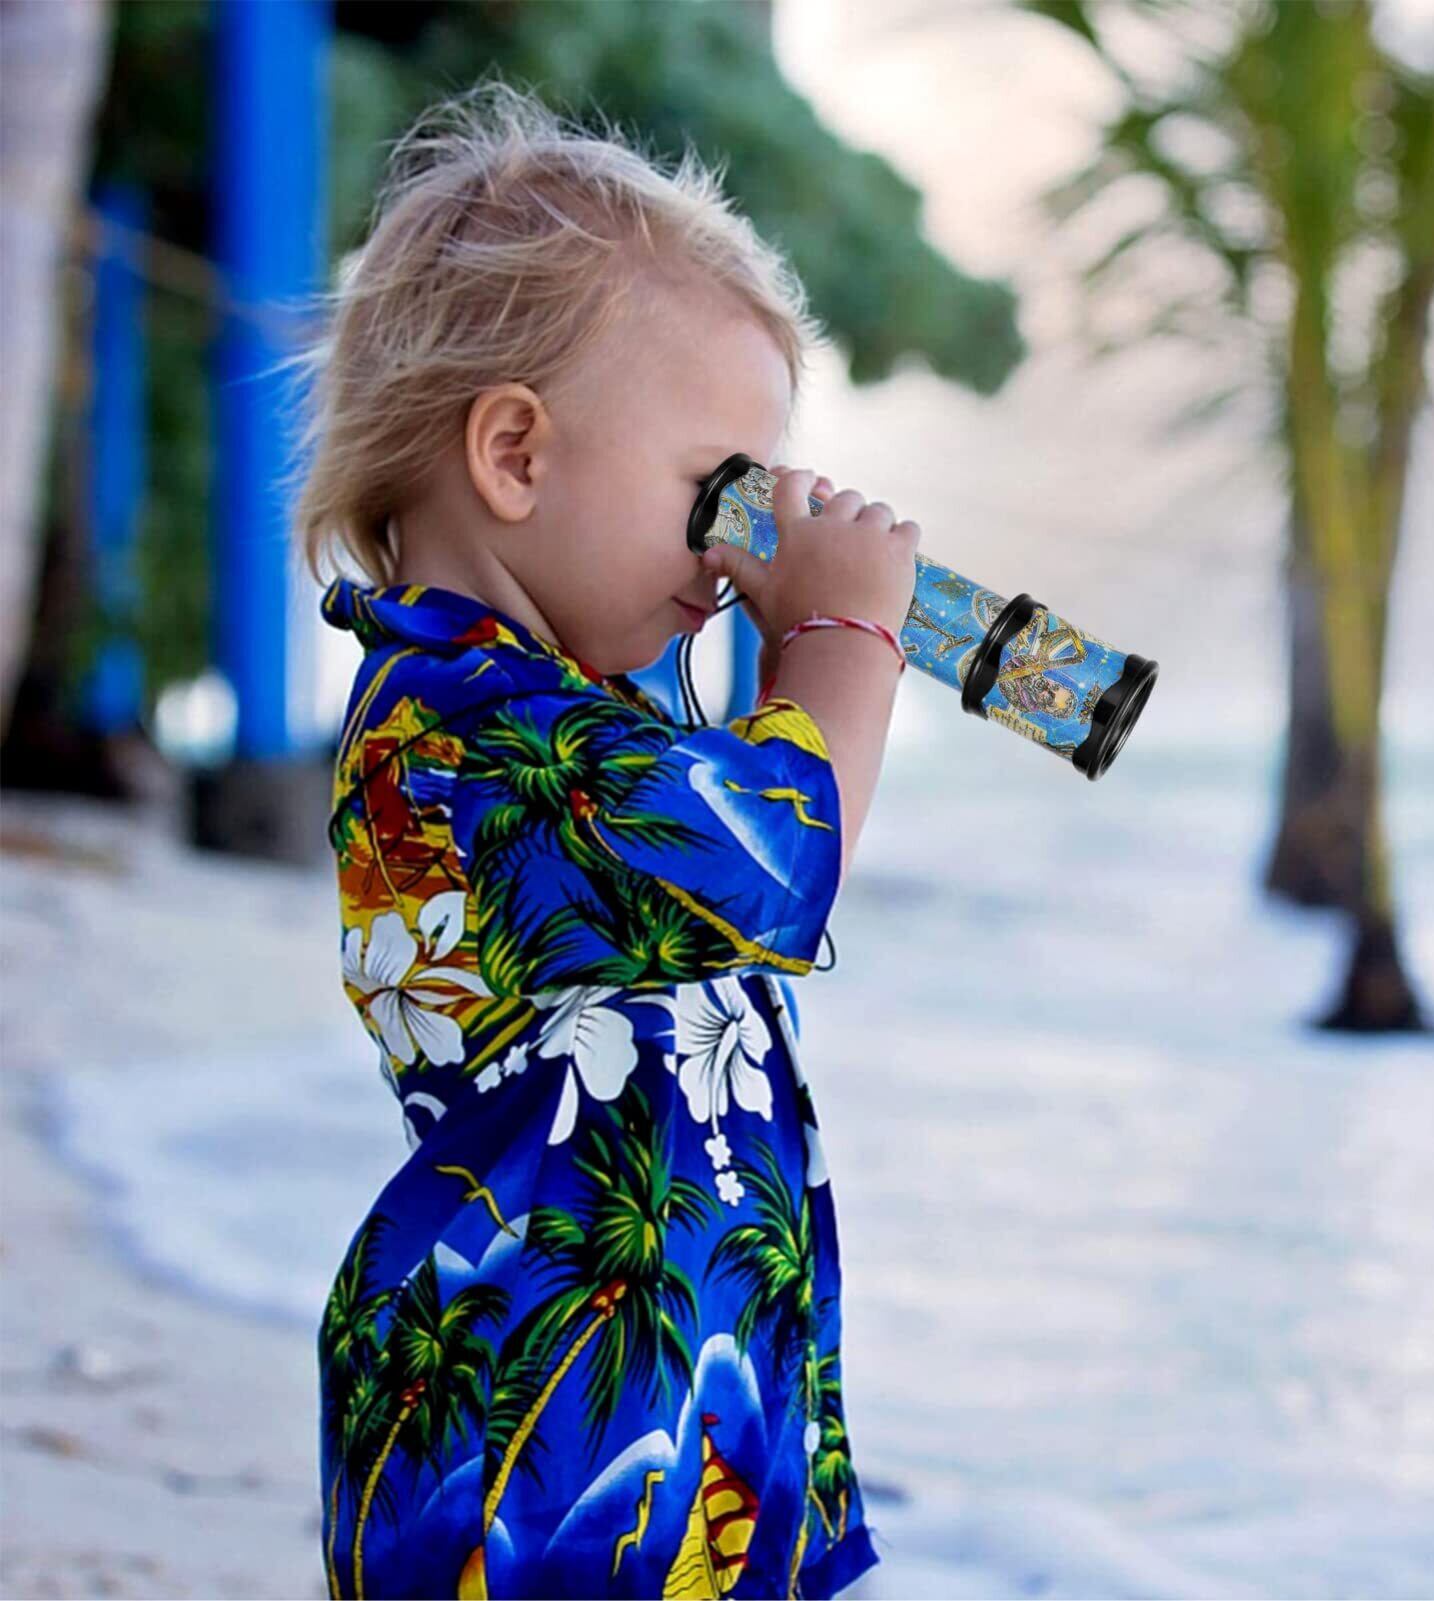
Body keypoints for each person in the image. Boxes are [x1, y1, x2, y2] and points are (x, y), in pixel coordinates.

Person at [289, 78, 919, 1601]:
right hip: (531, 1442)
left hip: (684, 1406)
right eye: (711, 493)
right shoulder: (462, 733)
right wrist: (840, 635)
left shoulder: (567, 714)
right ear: (515, 454)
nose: (732, 551)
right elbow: (772, 862)